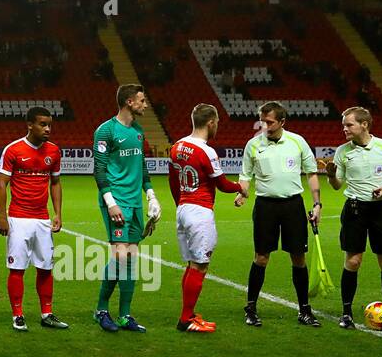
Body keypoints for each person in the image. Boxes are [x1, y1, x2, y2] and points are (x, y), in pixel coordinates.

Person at [324, 106, 382, 329]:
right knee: (353, 261)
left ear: (364, 124)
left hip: (381, 210)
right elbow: (337, 185)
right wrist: (330, 175)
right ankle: (346, 313)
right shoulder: (342, 151)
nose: (344, 129)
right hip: (355, 209)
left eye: (349, 125)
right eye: (343, 125)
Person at [234, 101, 322, 327]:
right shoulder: (253, 145)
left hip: (293, 206)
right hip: (265, 207)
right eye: (262, 121)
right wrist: (243, 193)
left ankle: (304, 310)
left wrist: (317, 203)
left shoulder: (297, 142)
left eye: (270, 121)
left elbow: (311, 174)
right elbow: (246, 175)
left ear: (282, 121)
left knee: (298, 257)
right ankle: (251, 307)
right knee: (261, 257)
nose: (265, 125)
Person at [168, 104, 243, 332]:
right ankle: (186, 320)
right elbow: (222, 185)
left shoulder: (177, 146)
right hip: (200, 212)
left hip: (183, 209)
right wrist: (242, 187)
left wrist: (180, 204)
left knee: (192, 264)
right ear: (210, 122)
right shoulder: (206, 150)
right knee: (200, 266)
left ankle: (188, 315)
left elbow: (172, 180)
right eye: (217, 123)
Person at [93, 83, 160, 333]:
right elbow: (98, 170)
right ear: (129, 102)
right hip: (116, 201)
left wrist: (151, 196)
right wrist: (110, 203)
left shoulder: (139, 131)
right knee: (121, 256)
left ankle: (124, 315)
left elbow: (142, 167)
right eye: (142, 100)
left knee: (131, 257)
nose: (145, 104)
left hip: (134, 202)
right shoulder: (106, 131)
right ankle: (101, 310)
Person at [0, 106, 68, 331]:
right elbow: (1, 183)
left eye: (49, 125)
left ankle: (47, 313)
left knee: (45, 267)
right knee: (17, 268)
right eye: (42, 124)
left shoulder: (54, 151)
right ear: (30, 125)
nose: (47, 129)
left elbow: (55, 183)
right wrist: (2, 217)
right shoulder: (13, 150)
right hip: (18, 218)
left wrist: (57, 213)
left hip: (42, 220)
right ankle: (17, 314)